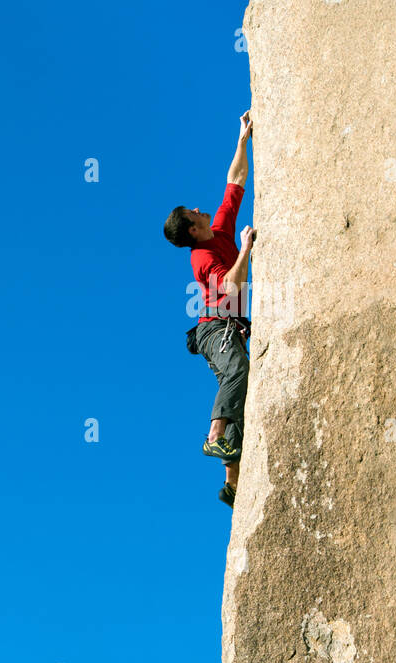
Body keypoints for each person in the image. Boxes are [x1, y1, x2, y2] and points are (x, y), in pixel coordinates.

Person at [163, 110, 255, 508]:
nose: (201, 209)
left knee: (243, 393)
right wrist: (247, 248)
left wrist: (242, 139)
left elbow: (234, 181)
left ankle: (231, 483)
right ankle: (214, 436)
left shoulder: (217, 228)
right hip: (213, 329)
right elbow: (230, 286)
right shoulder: (200, 256)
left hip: (228, 325)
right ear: (192, 230)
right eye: (194, 214)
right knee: (237, 370)